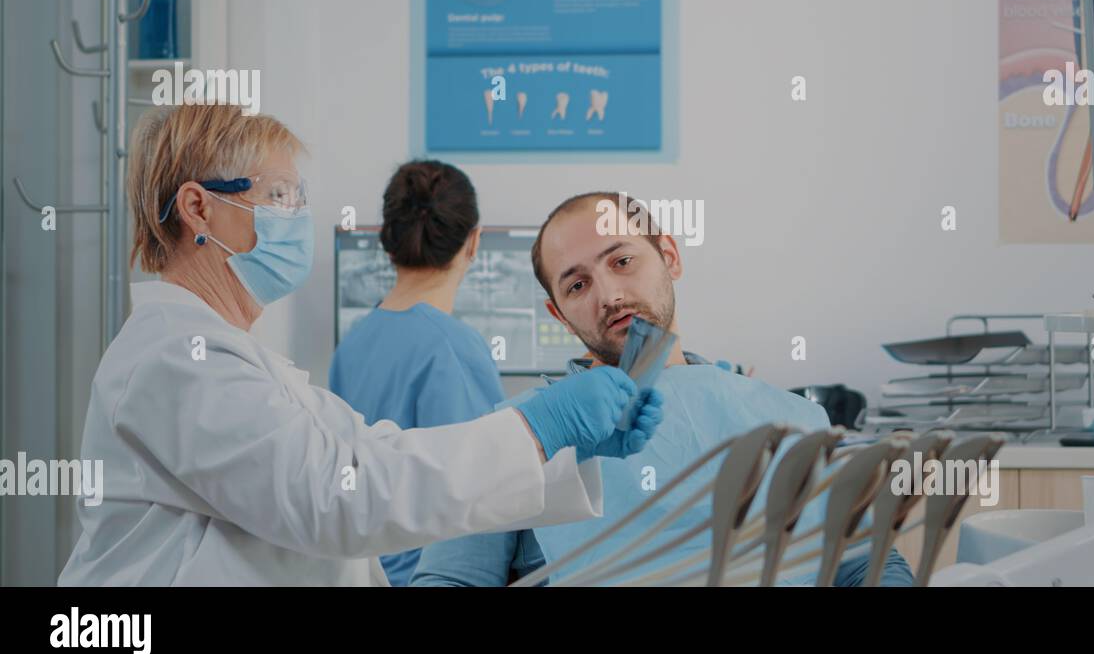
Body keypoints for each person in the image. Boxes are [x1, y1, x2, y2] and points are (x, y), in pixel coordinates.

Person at [58, 106, 663, 586]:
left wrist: (561, 451)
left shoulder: (246, 363)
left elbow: (374, 454)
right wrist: (538, 426)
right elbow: (338, 496)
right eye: (279, 197)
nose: (297, 218)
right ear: (198, 208)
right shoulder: (175, 360)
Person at [409, 192, 913, 587]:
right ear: (559, 315)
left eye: (622, 261)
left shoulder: (790, 419)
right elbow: (448, 579)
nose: (610, 295)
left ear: (668, 255)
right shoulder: (516, 434)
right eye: (577, 285)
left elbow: (863, 561)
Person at [329, 160, 506, 586]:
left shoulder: (351, 345)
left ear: (388, 242)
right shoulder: (454, 348)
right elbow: (482, 499)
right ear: (474, 242)